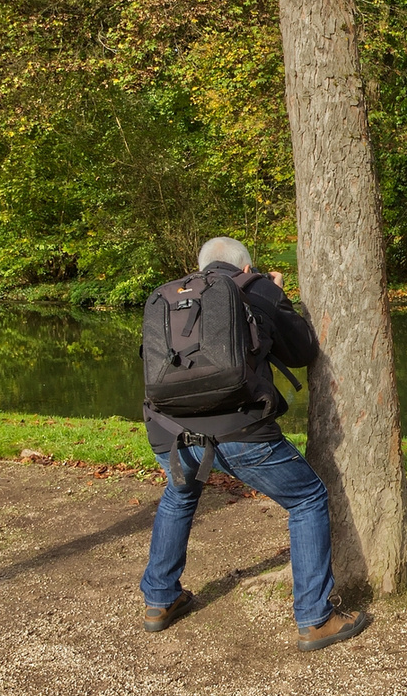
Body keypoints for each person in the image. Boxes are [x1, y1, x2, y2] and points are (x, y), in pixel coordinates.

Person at [139, 237, 370, 652]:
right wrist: (275, 293)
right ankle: (316, 617)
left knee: (180, 493)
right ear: (245, 268)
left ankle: (159, 599)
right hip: (239, 433)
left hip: (169, 434)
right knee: (306, 498)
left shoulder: (169, 295)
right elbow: (302, 350)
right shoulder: (256, 289)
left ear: (201, 267)